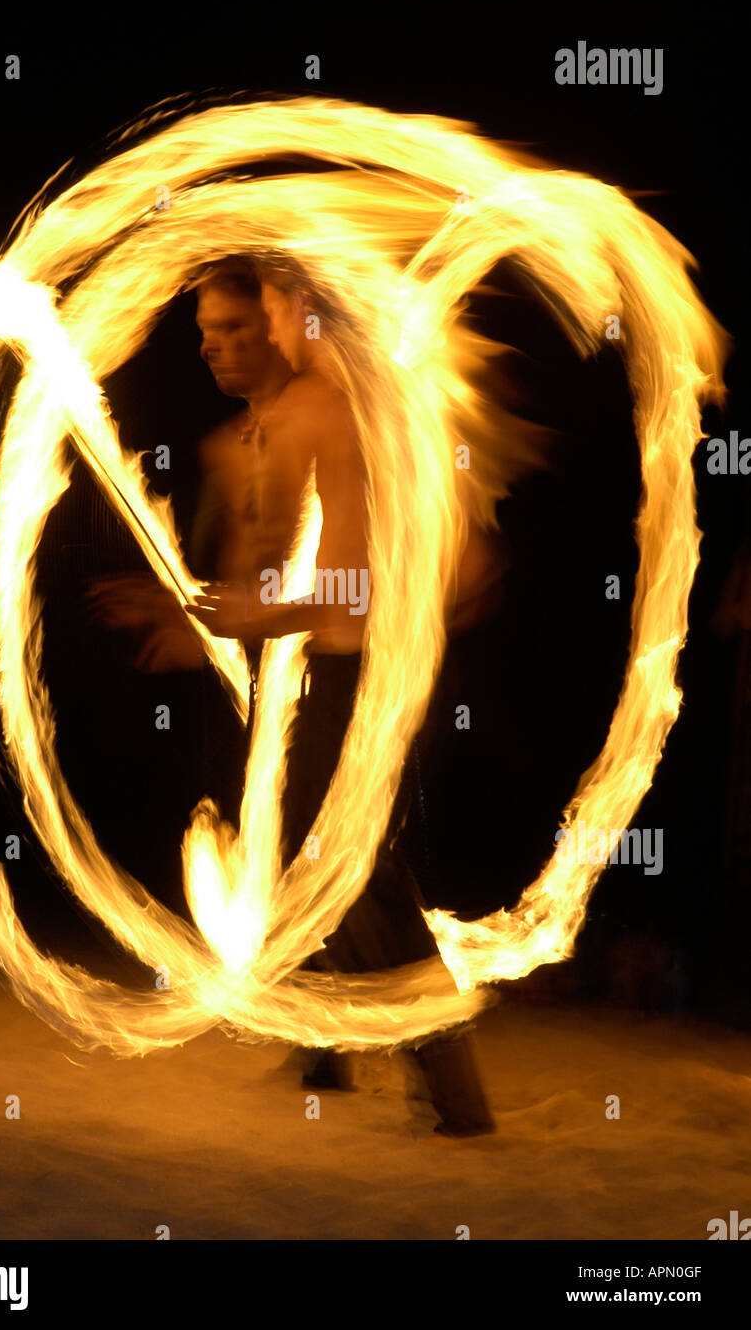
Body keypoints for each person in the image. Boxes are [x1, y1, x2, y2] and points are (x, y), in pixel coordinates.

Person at [91, 255, 498, 1135]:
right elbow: (259, 582)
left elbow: (363, 582)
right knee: (297, 858)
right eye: (207, 334)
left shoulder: (334, 414)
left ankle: (452, 1085)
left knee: (352, 869)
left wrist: (248, 616)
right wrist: (196, 624)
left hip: (369, 666)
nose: (224, 347)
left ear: (292, 321)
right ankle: (324, 1047)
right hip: (313, 665)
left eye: (245, 324)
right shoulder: (247, 438)